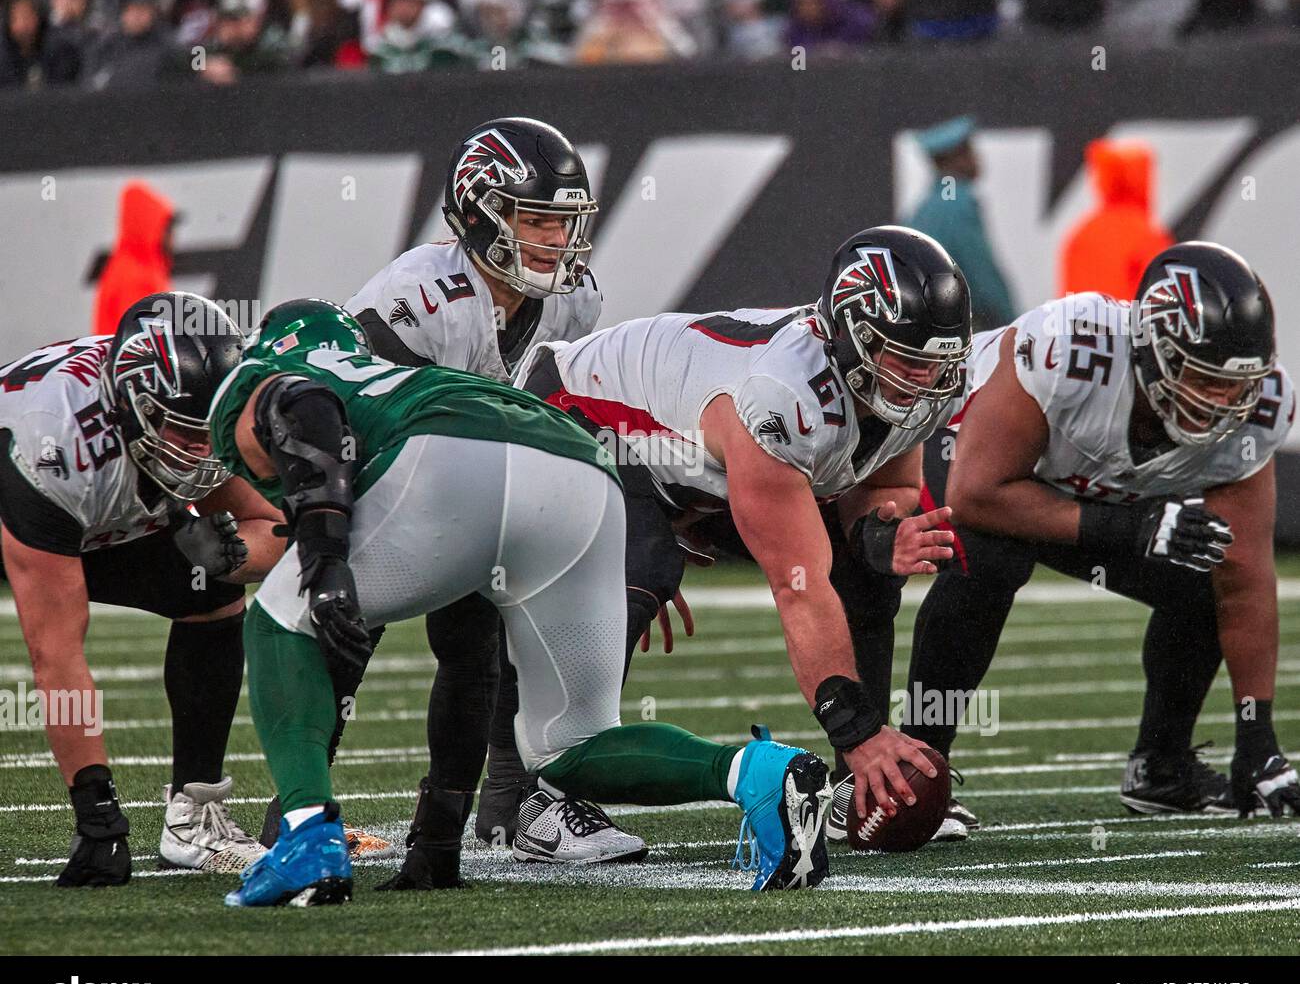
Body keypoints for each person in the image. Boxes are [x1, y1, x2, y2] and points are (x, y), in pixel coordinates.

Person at [212, 299, 837, 906]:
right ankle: (757, 770)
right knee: (568, 746)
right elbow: (464, 650)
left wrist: (320, 553)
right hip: (579, 465)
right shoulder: (394, 375)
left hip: (453, 457)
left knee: (276, 618)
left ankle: (306, 835)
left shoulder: (267, 378)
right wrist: (436, 840)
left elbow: (306, 406)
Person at [514, 225, 964, 843]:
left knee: (866, 575)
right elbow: (798, 586)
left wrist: (875, 539)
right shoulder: (783, 394)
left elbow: (881, 488)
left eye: (937, 362)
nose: (924, 379)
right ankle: (533, 800)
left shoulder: (926, 385)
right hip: (575, 414)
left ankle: (855, 788)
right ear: (852, 336)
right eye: (907, 359)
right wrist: (856, 731)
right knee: (644, 564)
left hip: (692, 461)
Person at [342, 117, 649, 885]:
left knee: (482, 642)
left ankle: (454, 832)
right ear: (480, 213)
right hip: (373, 473)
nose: (555, 241)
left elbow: (556, 409)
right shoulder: (422, 295)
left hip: (477, 480)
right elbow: (352, 415)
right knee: (343, 637)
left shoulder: (571, 301)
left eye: (565, 223)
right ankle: (298, 815)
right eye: (537, 219)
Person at [902, 242, 1300, 829]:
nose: (1220, 405)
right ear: (1152, 350)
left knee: (1204, 571)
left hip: (1082, 494)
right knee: (991, 557)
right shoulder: (1071, 348)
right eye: (1202, 378)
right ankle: (917, 766)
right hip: (964, 454)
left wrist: (1257, 735)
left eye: (1234, 388)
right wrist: (1134, 528)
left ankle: (1162, 768)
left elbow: (1243, 574)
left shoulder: (1259, 411)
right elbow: (978, 494)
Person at [0, 292, 285, 886]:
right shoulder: (57, 446)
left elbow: (279, 531)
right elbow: (55, 655)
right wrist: (97, 815)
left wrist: (229, 557)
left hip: (98, 505)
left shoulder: (183, 408)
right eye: (185, 433)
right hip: (31, 498)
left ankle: (192, 821)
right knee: (58, 634)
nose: (202, 453)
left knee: (210, 590)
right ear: (135, 406)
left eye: (212, 431)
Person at [904, 117, 1015, 333]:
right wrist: (1013, 326)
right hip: (957, 332)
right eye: (969, 151)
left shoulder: (925, 208)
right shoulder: (957, 205)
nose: (977, 158)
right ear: (956, 159)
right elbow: (983, 279)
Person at [1060, 139, 1173, 301]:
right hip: (1129, 324)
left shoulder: (1081, 232)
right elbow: (1160, 298)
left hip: (1079, 324)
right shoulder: (1147, 235)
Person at [93, 181, 176, 338]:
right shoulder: (136, 275)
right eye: (167, 229)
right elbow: (143, 339)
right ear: (152, 228)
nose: (173, 238)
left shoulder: (134, 267)